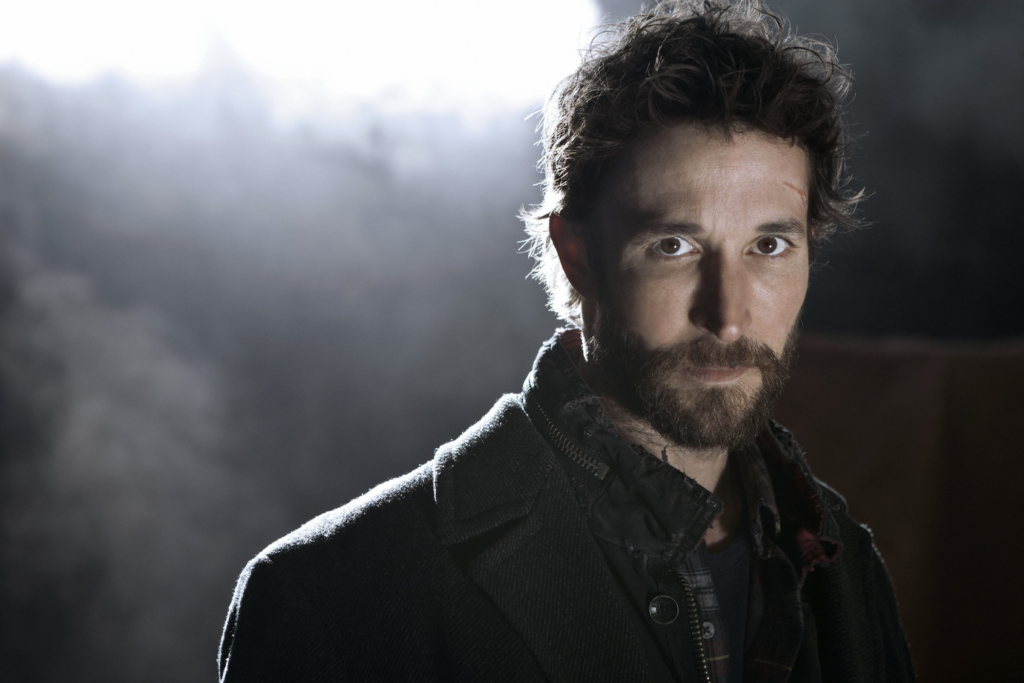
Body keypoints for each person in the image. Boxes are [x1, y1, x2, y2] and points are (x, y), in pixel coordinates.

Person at [218, 2, 914, 681]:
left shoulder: (843, 565)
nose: (728, 317)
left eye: (769, 245)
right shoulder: (332, 598)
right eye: (673, 246)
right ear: (576, 254)